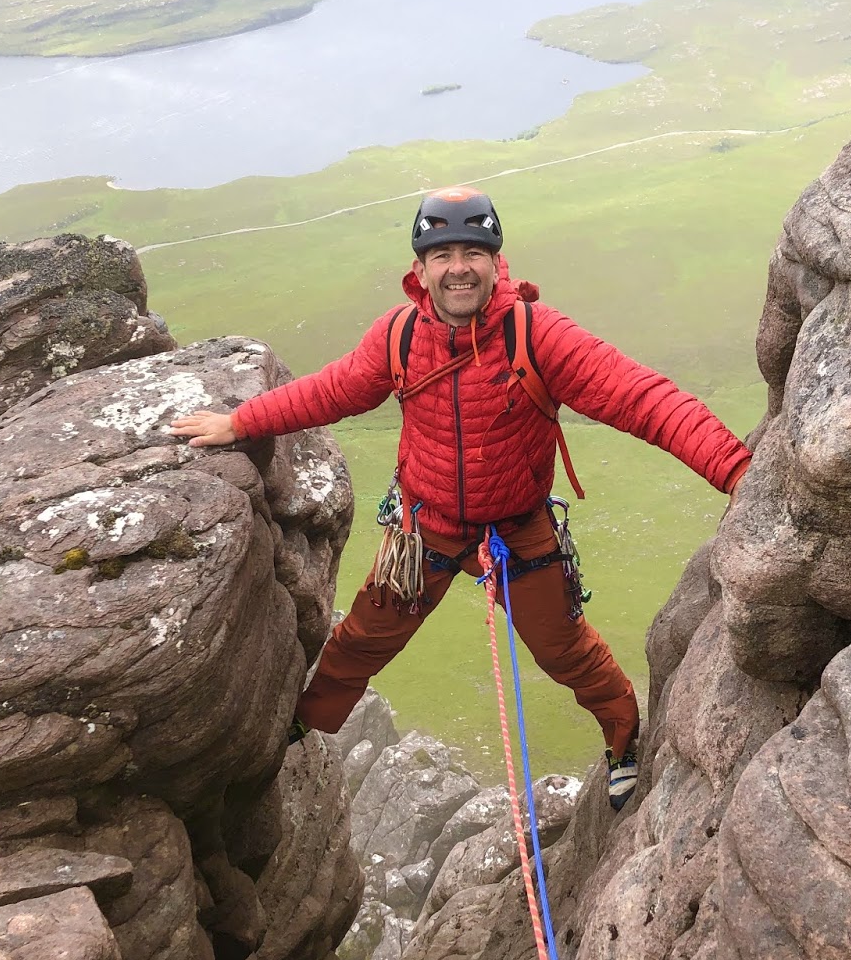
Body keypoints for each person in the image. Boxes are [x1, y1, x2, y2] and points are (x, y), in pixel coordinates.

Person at [171, 187, 750, 809]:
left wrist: (738, 471)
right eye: (441, 254)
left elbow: (642, 398)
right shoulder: (398, 338)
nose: (458, 268)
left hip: (518, 527)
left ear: (497, 262)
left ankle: (625, 738)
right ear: (419, 270)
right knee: (366, 636)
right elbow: (333, 390)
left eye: (472, 251)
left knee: (563, 651)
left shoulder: (537, 335)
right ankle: (299, 725)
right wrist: (243, 422)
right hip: (428, 527)